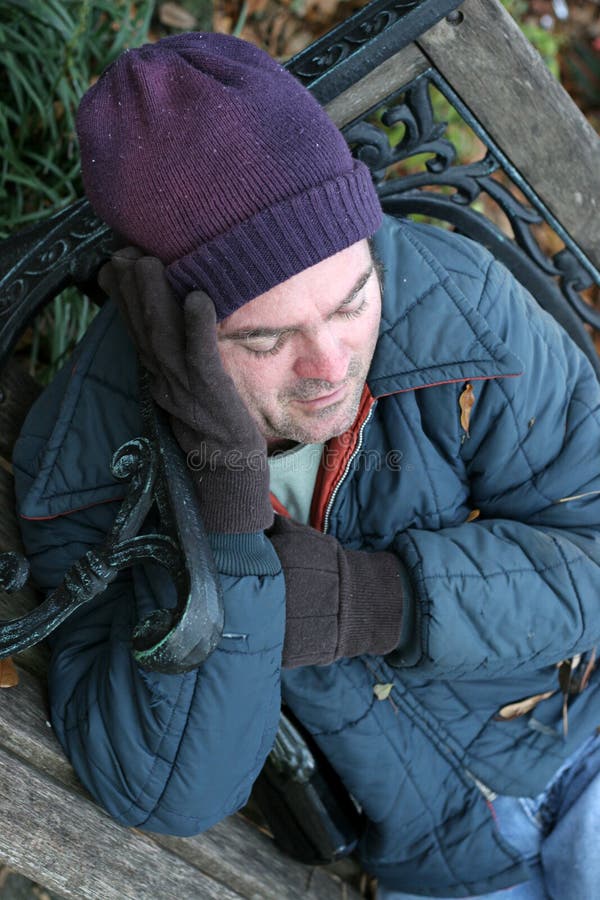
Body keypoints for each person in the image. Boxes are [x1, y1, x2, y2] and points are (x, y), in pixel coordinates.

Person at [12, 32, 600, 900]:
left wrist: (384, 600)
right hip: (435, 865)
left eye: (352, 301)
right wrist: (219, 515)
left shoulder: (457, 306)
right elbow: (164, 789)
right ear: (168, 327)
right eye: (266, 338)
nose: (330, 365)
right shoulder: (89, 466)